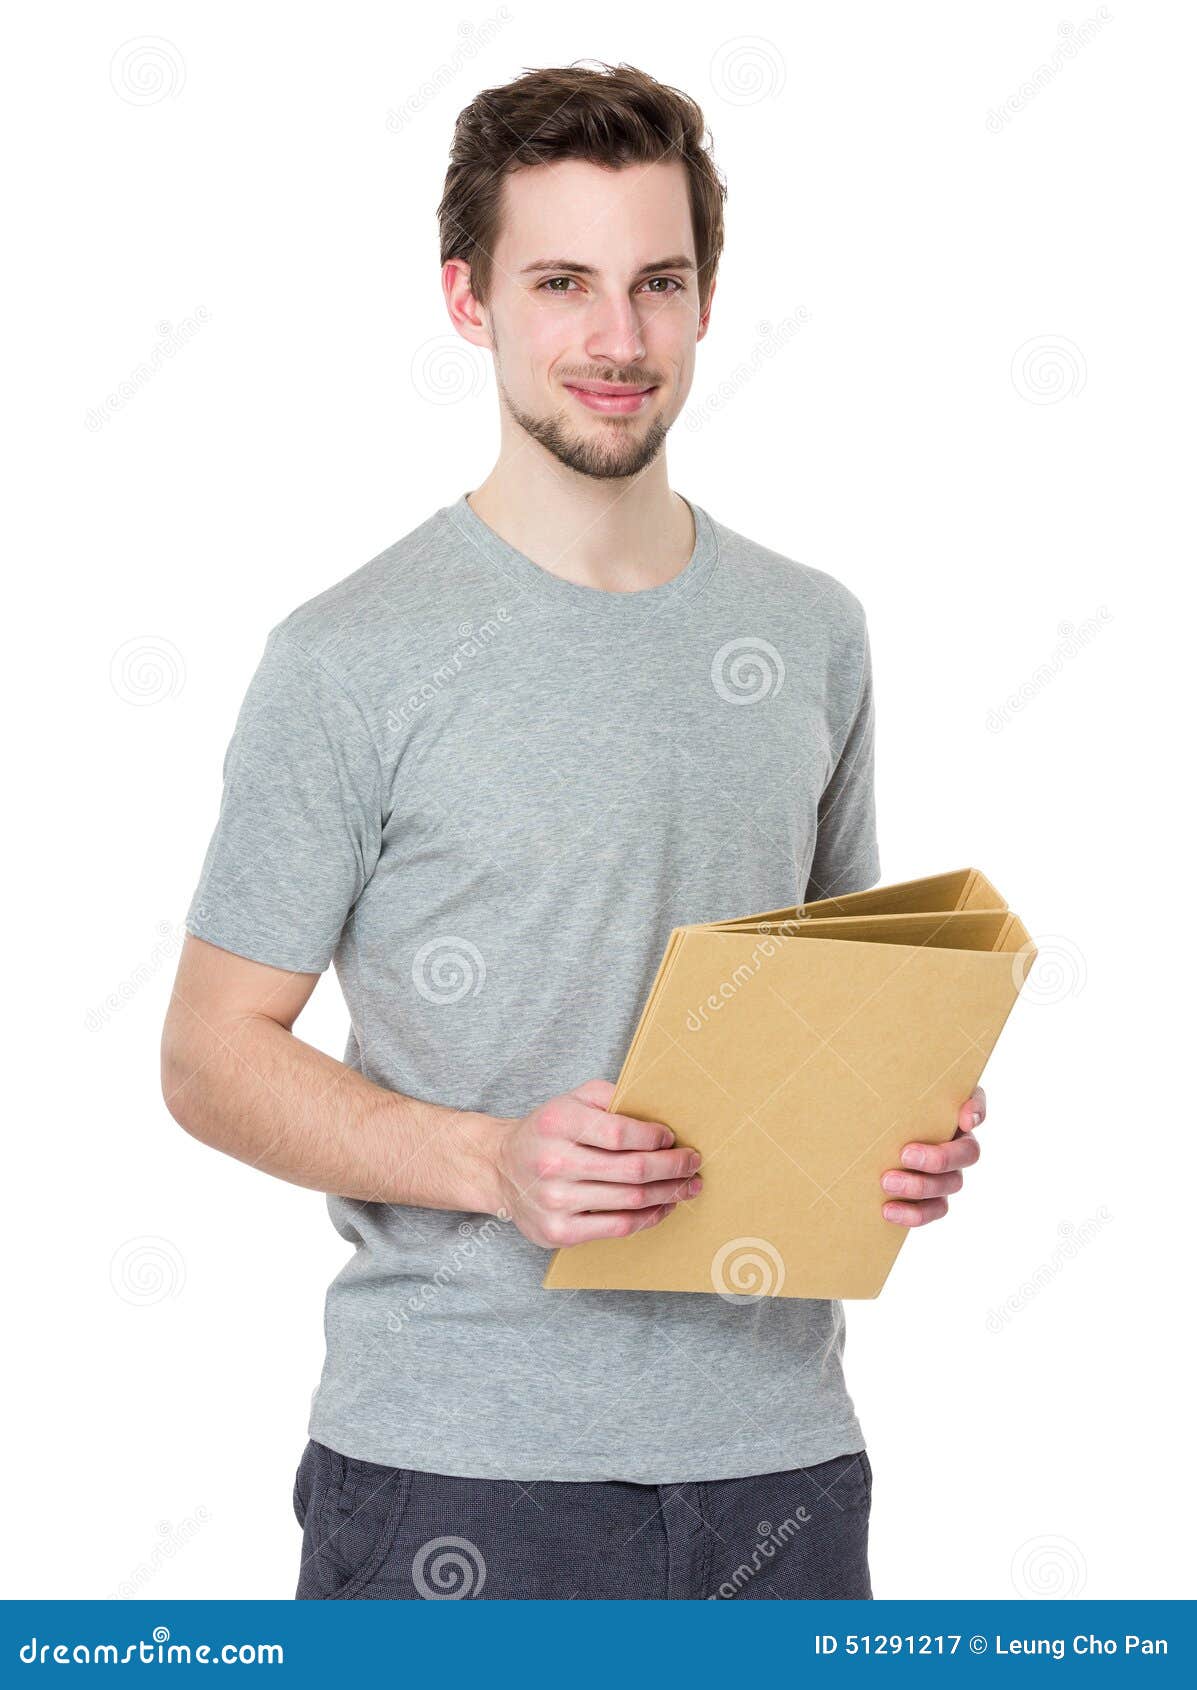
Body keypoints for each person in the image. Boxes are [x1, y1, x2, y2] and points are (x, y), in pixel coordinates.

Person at [161, 60, 986, 1602]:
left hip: (781, 1469)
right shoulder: (350, 655)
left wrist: (896, 1130)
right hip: (453, 1476)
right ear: (469, 302)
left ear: (704, 298)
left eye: (655, 284)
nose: (616, 340)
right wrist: (487, 1161)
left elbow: (828, 1016)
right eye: (562, 284)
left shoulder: (811, 631)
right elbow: (210, 1053)